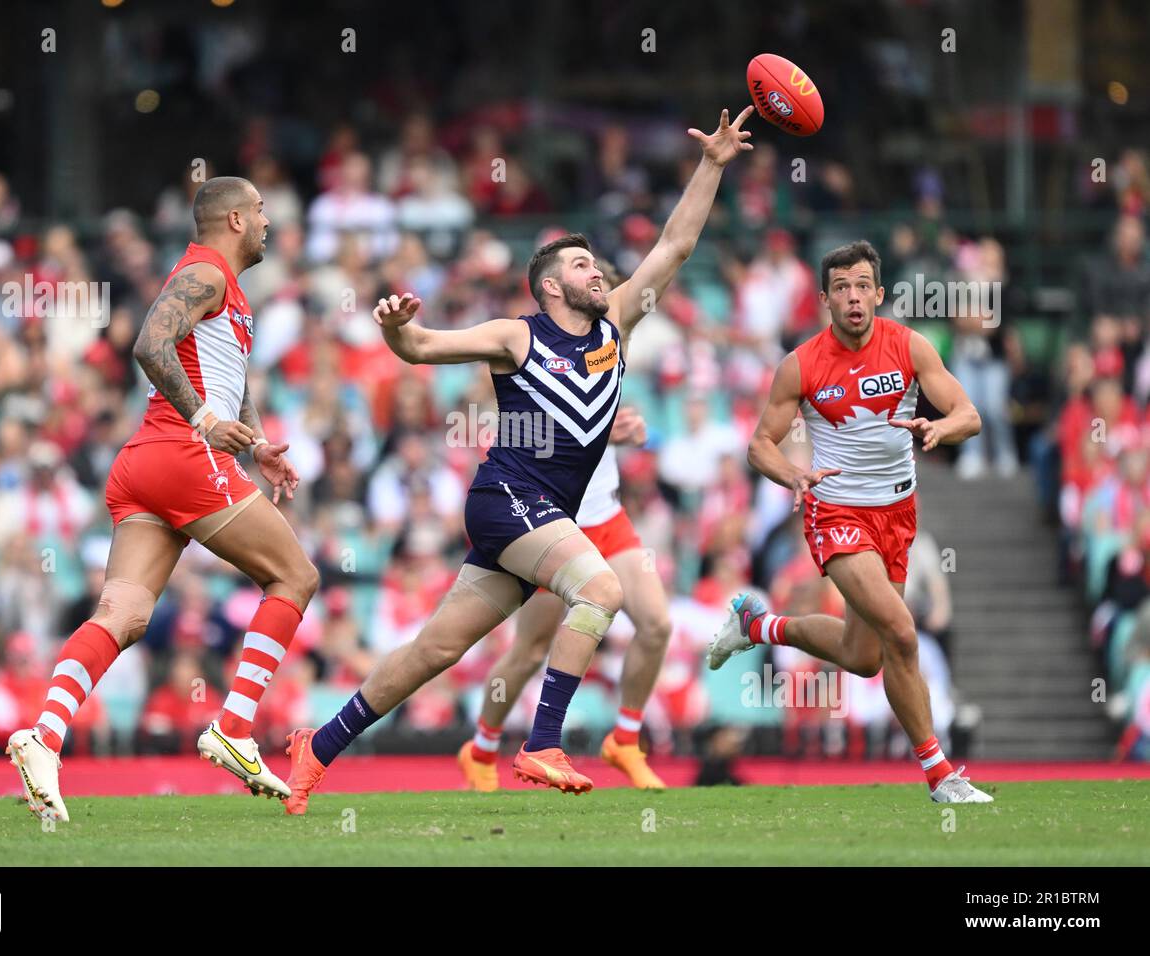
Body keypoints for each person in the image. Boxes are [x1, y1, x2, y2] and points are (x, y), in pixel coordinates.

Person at [280, 108, 756, 814]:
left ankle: (315, 748)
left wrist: (712, 165)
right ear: (550, 288)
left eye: (594, 262)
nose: (597, 271)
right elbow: (422, 351)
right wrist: (396, 330)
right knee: (601, 590)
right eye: (580, 265)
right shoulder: (517, 336)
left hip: (536, 514)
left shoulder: (616, 322)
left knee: (434, 652)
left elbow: (676, 244)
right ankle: (541, 742)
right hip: (506, 498)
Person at [6, 176, 319, 824]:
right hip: (181, 454)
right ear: (232, 220)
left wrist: (254, 443)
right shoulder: (204, 272)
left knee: (124, 614)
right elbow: (149, 343)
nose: (268, 222)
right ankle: (234, 727)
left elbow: (230, 380)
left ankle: (43, 738)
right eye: (260, 211)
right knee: (296, 575)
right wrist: (206, 422)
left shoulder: (227, 291)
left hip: (146, 463)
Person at [708, 239, 994, 803]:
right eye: (841, 288)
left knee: (863, 658)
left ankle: (757, 627)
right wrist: (791, 474)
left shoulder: (909, 347)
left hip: (898, 512)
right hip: (837, 511)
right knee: (902, 632)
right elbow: (758, 445)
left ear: (879, 293)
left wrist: (940, 430)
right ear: (825, 299)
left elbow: (971, 414)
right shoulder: (801, 364)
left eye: (863, 285)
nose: (854, 297)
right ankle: (941, 777)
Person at [458, 404, 674, 790]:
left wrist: (634, 426)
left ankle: (625, 740)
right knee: (529, 651)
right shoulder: (533, 361)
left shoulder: (602, 350)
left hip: (606, 517)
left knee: (656, 624)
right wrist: (608, 433)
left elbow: (615, 401)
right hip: (552, 523)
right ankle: (481, 749)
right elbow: (536, 437)